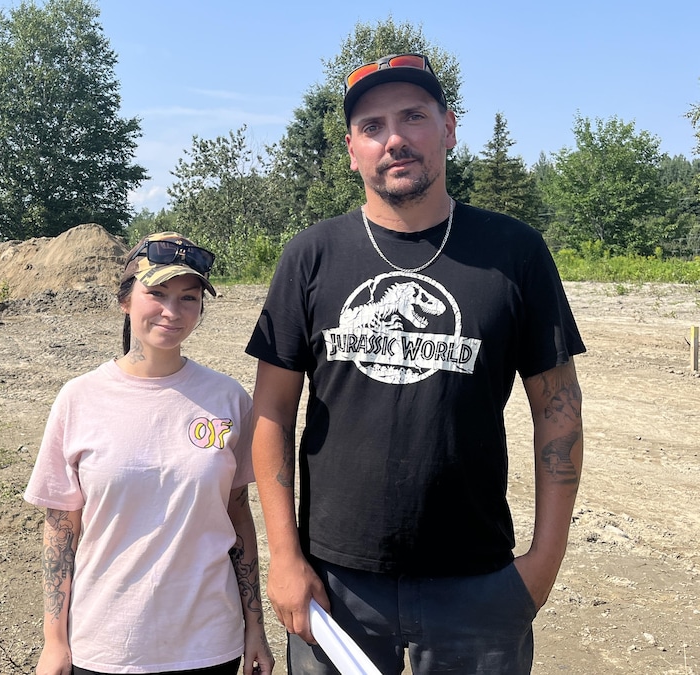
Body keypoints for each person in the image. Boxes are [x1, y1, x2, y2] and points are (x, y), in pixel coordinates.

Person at [245, 53, 586, 674]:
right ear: (352, 150)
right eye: (372, 126)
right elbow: (271, 409)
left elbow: (558, 409)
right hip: (334, 583)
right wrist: (284, 557)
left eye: (413, 117)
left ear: (449, 128)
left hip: (478, 584)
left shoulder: (515, 252)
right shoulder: (312, 255)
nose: (395, 138)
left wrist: (544, 562)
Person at [25, 232, 275, 675]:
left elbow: (238, 520)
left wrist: (255, 628)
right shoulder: (80, 399)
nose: (172, 311)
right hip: (107, 645)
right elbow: (61, 530)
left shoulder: (227, 399)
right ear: (125, 301)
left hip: (209, 644)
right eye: (156, 293)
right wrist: (54, 641)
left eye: (189, 297)